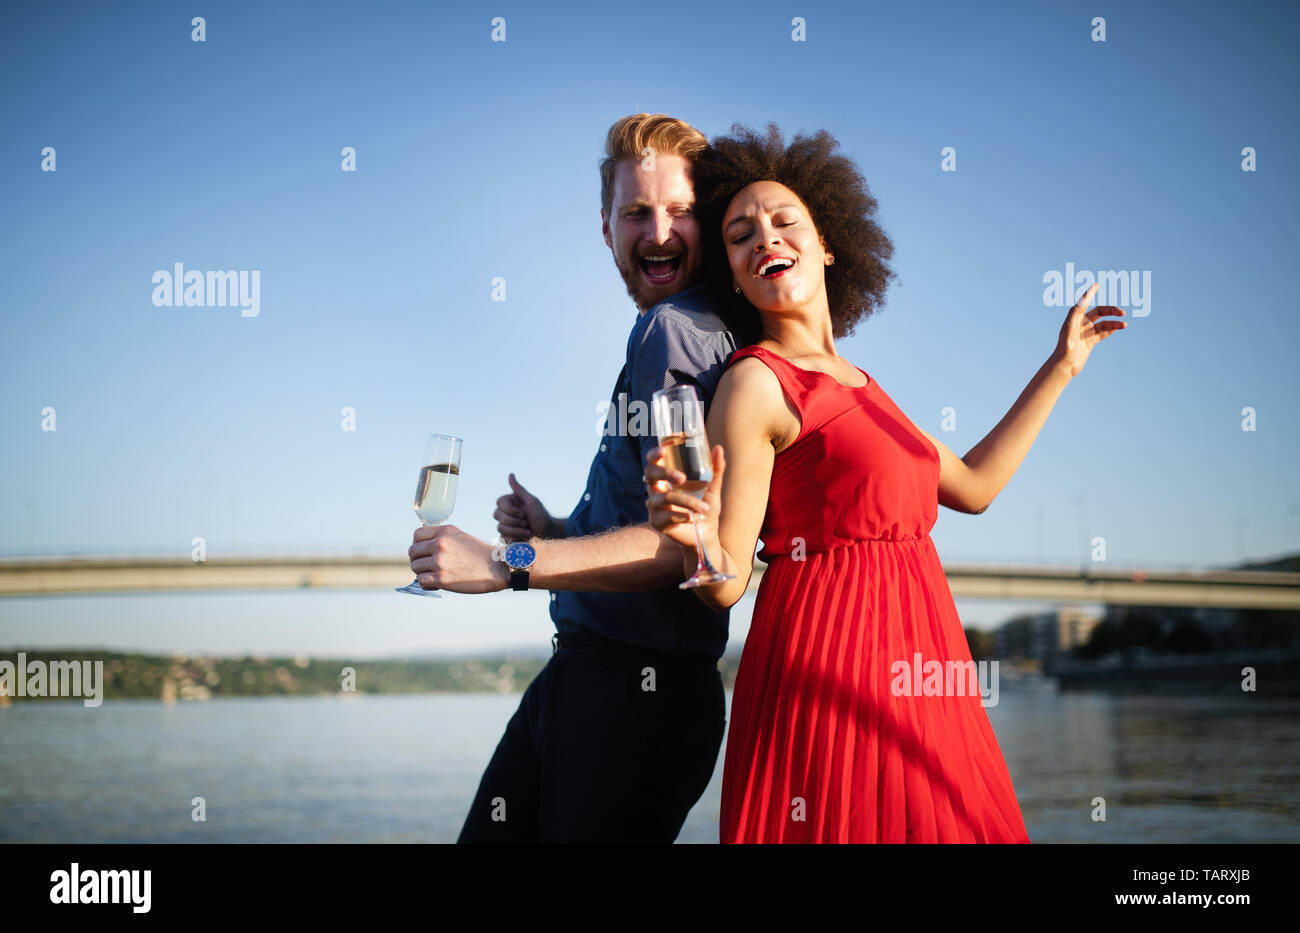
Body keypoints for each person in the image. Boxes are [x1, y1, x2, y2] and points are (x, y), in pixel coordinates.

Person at [645, 124, 1126, 843]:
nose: (764, 238)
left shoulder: (870, 388)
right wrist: (691, 534)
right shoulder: (753, 383)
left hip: (931, 666)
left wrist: (1061, 366)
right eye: (741, 235)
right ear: (737, 276)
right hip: (832, 666)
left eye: (784, 221)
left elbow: (975, 485)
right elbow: (725, 578)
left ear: (829, 242)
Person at [407, 114, 740, 843]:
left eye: (681, 211)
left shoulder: (672, 333)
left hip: (629, 696)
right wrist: (556, 528)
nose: (657, 232)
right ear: (606, 229)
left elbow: (683, 551)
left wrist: (506, 562)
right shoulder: (702, 330)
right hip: (600, 682)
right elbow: (667, 522)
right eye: (636, 212)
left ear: (710, 222)